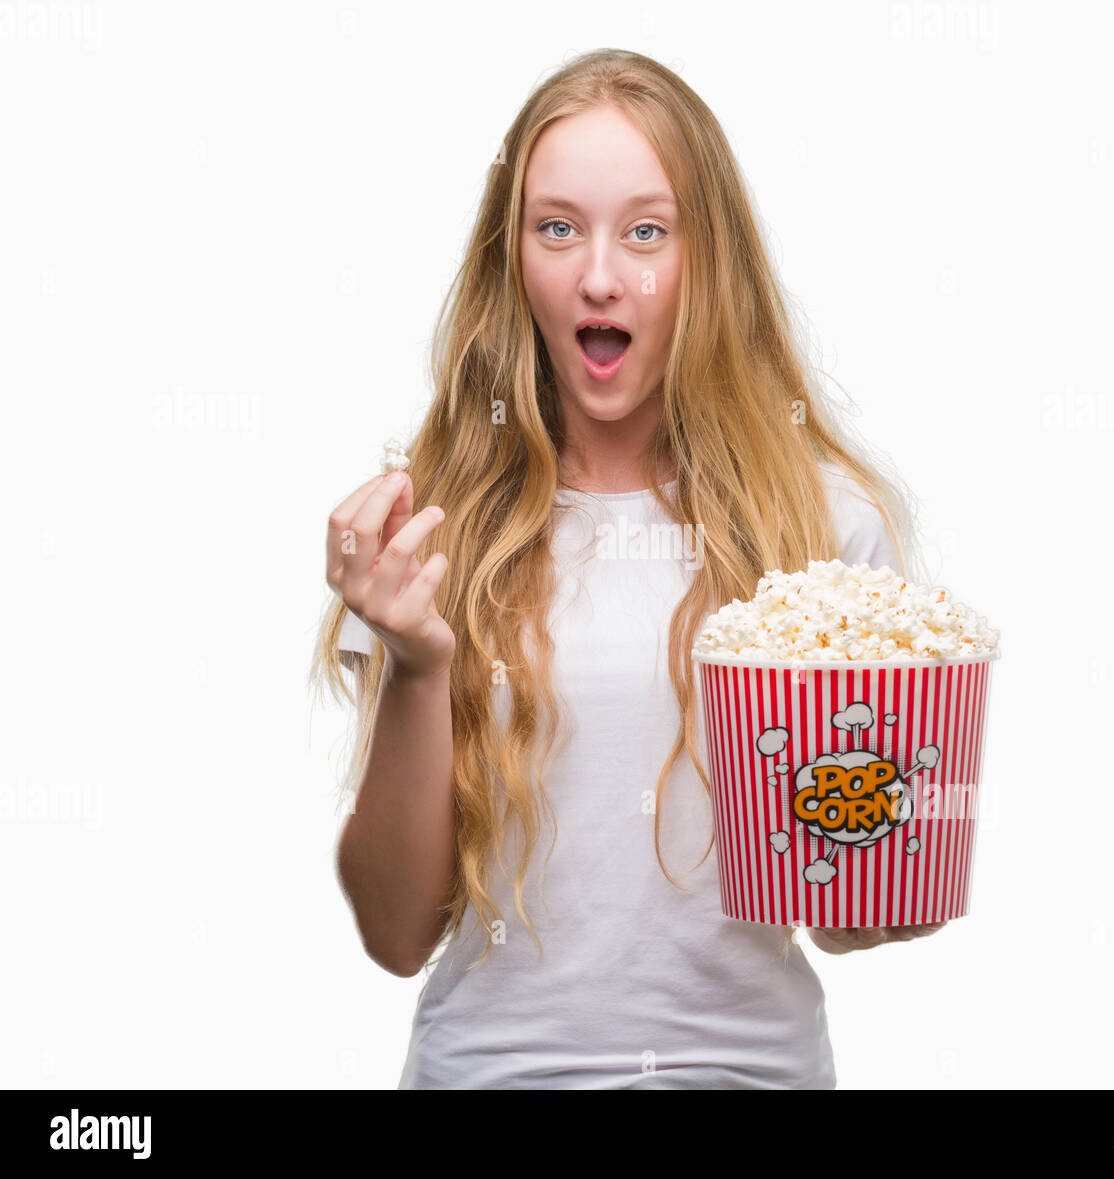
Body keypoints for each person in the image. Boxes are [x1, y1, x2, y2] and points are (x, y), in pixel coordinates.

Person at [312, 49, 943, 1090]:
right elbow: (392, 932)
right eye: (557, 227)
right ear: (510, 256)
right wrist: (419, 666)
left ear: (709, 260)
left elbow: (849, 925)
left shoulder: (823, 522)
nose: (599, 274)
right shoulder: (426, 524)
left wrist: (896, 874)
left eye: (645, 231)